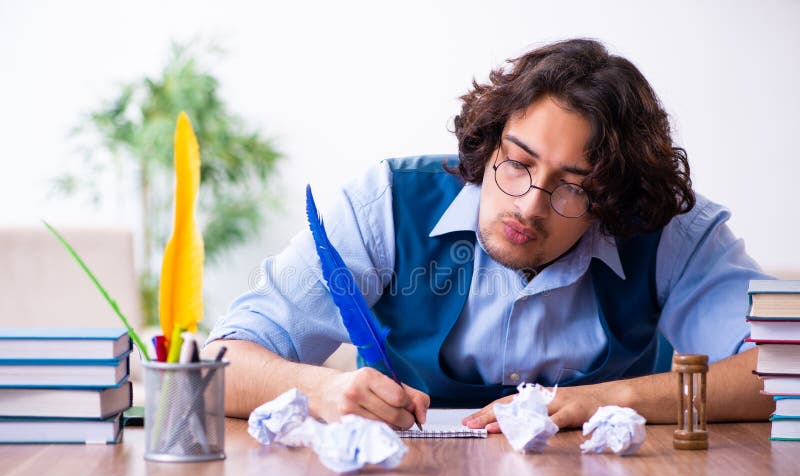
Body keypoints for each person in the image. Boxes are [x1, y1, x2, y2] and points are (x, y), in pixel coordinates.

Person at [204, 38, 774, 432]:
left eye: (575, 187)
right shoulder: (384, 205)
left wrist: (613, 398)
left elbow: (787, 367)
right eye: (518, 162)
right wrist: (319, 390)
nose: (529, 205)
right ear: (491, 139)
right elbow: (221, 363)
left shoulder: (666, 227)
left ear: (614, 200)